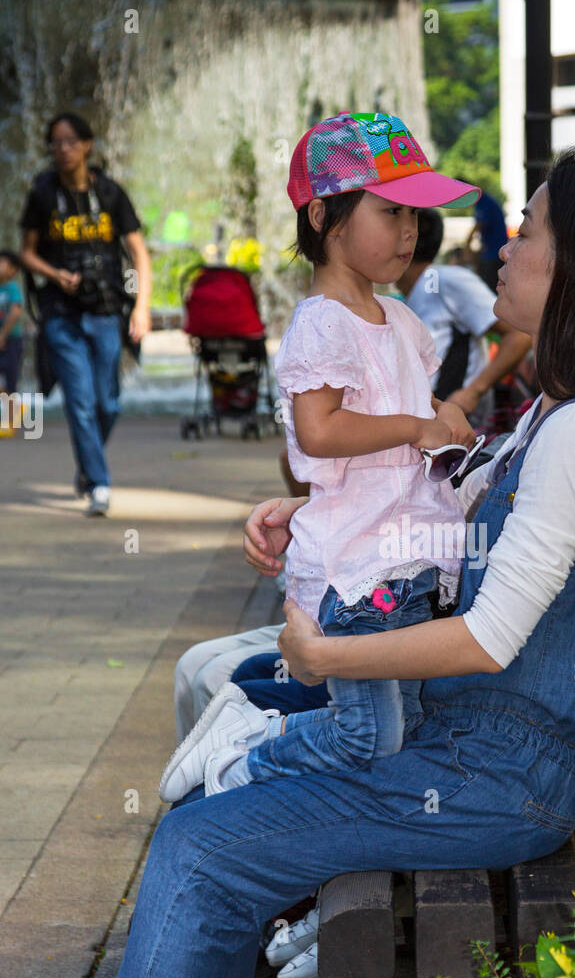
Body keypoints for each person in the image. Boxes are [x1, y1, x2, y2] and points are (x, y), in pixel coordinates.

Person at [0, 145, 575, 978]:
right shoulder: (562, 416)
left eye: (533, 229)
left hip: (487, 774)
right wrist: (314, 511)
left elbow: (489, 637)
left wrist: (326, 650)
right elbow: (446, 529)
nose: (504, 242)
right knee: (225, 819)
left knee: (197, 844)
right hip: (461, 742)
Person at [159, 110, 481, 802]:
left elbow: (410, 434)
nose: (410, 231)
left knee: (407, 724)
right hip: (356, 571)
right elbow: (320, 432)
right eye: (391, 210)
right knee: (370, 734)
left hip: (410, 555)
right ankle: (245, 747)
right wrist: (416, 425)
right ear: (322, 217)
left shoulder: (399, 320)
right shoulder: (322, 323)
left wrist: (445, 423)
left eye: (416, 215)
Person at [19, 112, 152, 516]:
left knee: (107, 403)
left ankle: (87, 469)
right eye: (55, 142)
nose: (63, 149)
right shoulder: (43, 195)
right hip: (61, 313)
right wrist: (54, 274)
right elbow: (24, 252)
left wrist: (142, 308)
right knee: (80, 400)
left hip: (107, 310)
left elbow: (140, 254)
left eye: (70, 141)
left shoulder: (110, 194)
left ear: (88, 145)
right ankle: (98, 483)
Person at [397, 207, 533, 422]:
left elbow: (518, 335)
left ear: (408, 237)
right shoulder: (404, 299)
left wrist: (472, 392)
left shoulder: (446, 280)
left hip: (455, 428)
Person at [465, 188, 509, 291]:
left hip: (494, 254)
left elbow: (478, 226)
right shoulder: (484, 200)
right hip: (493, 252)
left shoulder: (483, 202)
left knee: (489, 289)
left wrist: (466, 247)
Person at [0, 250, 24, 437]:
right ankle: (15, 408)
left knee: (11, 379)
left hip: (11, 340)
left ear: (14, 270)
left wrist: (3, 335)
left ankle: (11, 421)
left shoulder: (12, 288)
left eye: (3, 263)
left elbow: (15, 312)